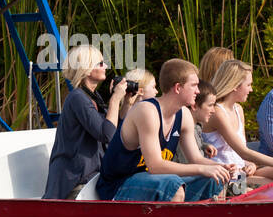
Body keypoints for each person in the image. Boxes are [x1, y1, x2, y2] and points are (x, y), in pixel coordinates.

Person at [97, 58, 232, 202]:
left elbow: (196, 159)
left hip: (153, 181)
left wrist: (221, 167)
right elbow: (155, 166)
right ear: (178, 88)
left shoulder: (184, 114)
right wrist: (202, 169)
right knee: (173, 185)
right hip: (118, 185)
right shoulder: (147, 111)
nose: (198, 91)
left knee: (213, 179)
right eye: (194, 86)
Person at [43, 45, 129, 199]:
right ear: (88, 70)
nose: (106, 67)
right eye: (101, 63)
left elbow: (114, 131)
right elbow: (106, 134)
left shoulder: (93, 97)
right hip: (75, 182)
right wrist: (115, 99)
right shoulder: (78, 98)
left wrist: (124, 102)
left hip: (90, 177)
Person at [205, 59, 273, 187]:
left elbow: (243, 151)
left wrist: (250, 164)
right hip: (225, 174)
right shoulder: (217, 112)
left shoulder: (238, 109)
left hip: (241, 170)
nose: (251, 89)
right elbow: (242, 151)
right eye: (248, 85)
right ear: (235, 86)